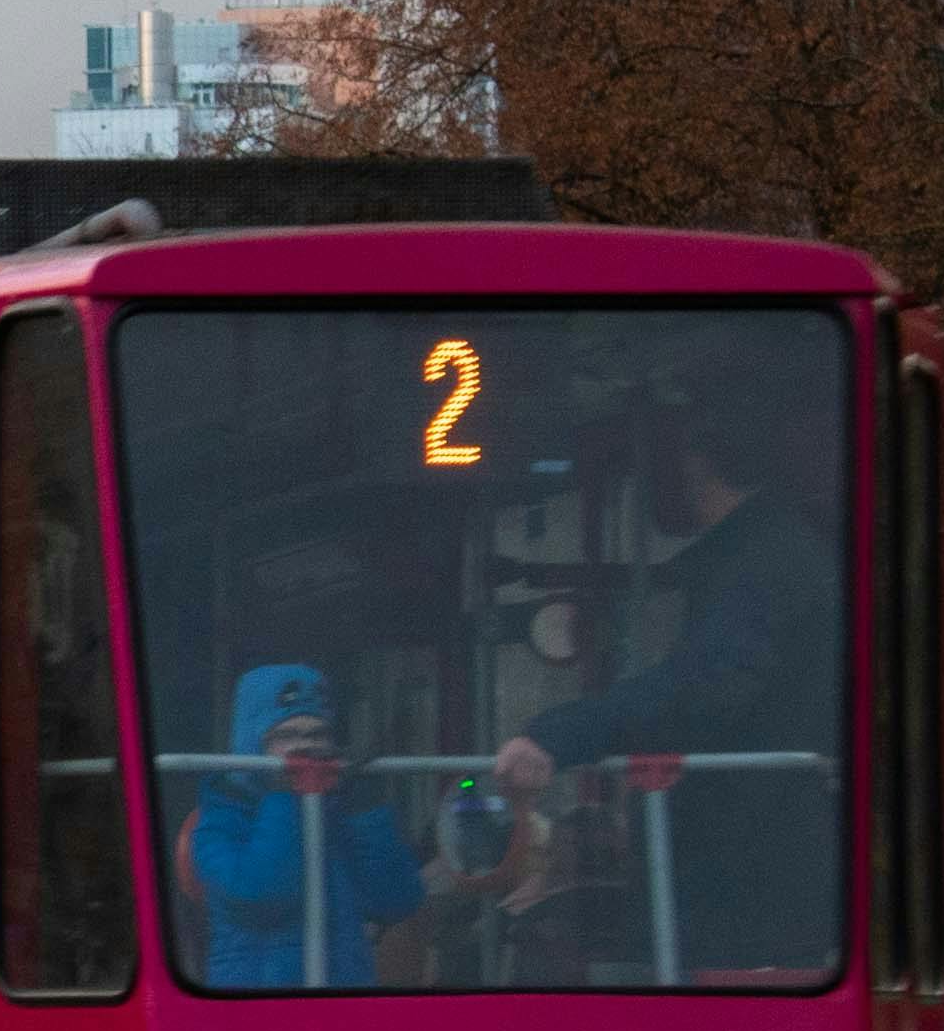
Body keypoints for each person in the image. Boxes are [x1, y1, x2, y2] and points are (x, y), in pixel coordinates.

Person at [490, 394, 837, 972]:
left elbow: (706, 684)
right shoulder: (778, 552)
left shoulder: (763, 562)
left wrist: (560, 735)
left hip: (748, 869)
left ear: (697, 460)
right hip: (761, 860)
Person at [186, 664, 431, 988]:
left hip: (343, 999)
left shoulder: (339, 811)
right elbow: (261, 896)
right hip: (257, 1003)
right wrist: (285, 795)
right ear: (252, 744)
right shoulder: (220, 818)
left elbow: (397, 900)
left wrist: (365, 807)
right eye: (285, 736)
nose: (305, 748)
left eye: (317, 735)